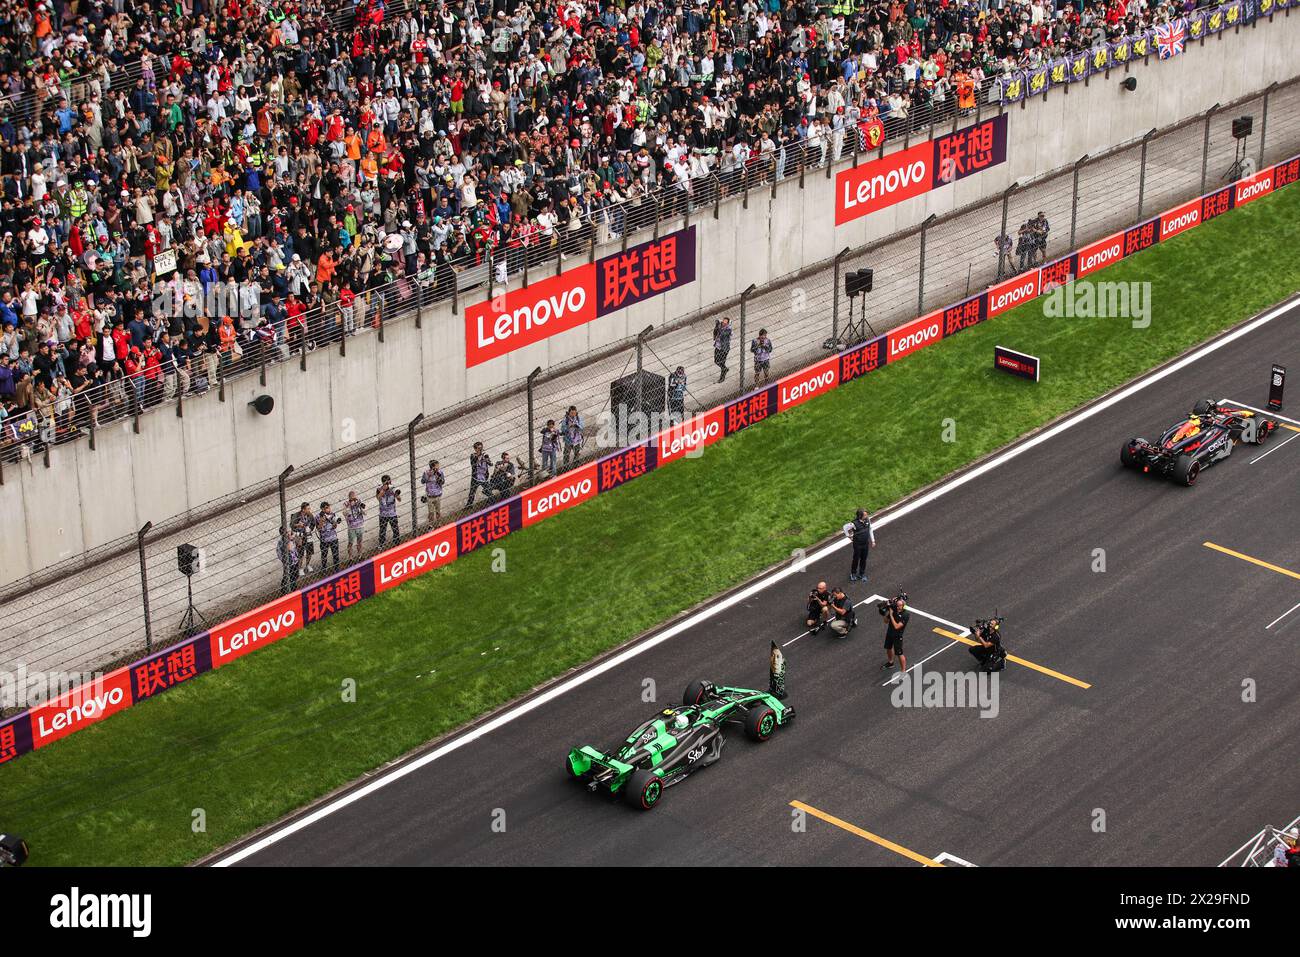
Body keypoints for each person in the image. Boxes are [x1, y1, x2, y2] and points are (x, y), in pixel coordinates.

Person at [879, 593, 910, 679]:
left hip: (897, 635)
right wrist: (887, 612)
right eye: (897, 605)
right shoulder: (893, 610)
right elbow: (885, 621)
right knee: (888, 648)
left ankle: (903, 671)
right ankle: (891, 662)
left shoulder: (905, 615)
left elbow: (897, 626)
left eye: (900, 606)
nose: (898, 607)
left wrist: (892, 615)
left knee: (899, 653)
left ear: (903, 606)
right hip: (890, 633)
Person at [846, 507, 876, 582]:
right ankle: (853, 573)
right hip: (857, 545)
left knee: (864, 559)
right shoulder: (854, 523)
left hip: (865, 544)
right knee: (856, 559)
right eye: (865, 515)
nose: (867, 516)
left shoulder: (868, 520)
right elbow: (845, 527)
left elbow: (870, 529)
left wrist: (873, 541)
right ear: (860, 516)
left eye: (866, 515)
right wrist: (849, 536)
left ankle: (861, 574)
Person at [292, 501, 317, 575]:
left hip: (308, 535)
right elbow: (291, 525)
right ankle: (300, 568)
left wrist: (310, 528)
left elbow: (313, 523)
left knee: (309, 552)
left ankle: (307, 565)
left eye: (309, 508)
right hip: (300, 536)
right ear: (303, 509)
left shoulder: (310, 515)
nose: (309, 510)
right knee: (300, 554)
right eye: (308, 509)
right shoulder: (296, 515)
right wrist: (298, 525)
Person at [317, 501, 341, 573]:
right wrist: (322, 521)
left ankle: (337, 569)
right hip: (324, 539)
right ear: (322, 509)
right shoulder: (318, 516)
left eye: (329, 507)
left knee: (336, 554)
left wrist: (334, 523)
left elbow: (335, 527)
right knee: (324, 555)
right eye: (326, 508)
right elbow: (318, 528)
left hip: (333, 537)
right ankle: (324, 569)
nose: (328, 509)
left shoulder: (332, 514)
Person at [376, 475, 400, 545]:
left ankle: (396, 543)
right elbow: (378, 498)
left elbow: (399, 499)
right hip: (383, 514)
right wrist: (383, 490)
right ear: (383, 483)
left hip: (392, 513)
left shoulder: (393, 488)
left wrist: (395, 493)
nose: (388, 484)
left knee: (395, 529)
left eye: (389, 482)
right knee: (382, 530)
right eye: (386, 483)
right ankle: (381, 543)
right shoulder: (379, 489)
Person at [467, 441, 492, 507]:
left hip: (484, 477)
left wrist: (486, 459)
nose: (480, 450)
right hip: (476, 478)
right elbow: (473, 463)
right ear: (475, 449)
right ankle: (469, 505)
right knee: (472, 493)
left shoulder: (485, 455)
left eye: (481, 448)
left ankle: (490, 502)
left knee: (489, 491)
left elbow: (490, 464)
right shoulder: (473, 456)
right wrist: (479, 456)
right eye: (479, 448)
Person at [421, 459, 445, 526]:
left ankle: (439, 524)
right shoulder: (426, 473)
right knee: (431, 513)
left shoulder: (440, 472)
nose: (438, 467)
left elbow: (443, 482)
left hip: (438, 495)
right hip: (430, 496)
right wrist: (428, 476)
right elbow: (422, 481)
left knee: (438, 511)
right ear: (432, 467)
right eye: (437, 466)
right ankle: (431, 525)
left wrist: (438, 476)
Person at [277, 525, 299, 595]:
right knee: (287, 576)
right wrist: (284, 560)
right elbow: (286, 549)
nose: (289, 532)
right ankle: (285, 591)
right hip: (288, 562)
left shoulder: (291, 538)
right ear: (283, 533)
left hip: (295, 560)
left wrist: (295, 537)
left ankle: (293, 588)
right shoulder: (282, 541)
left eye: (289, 531)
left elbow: (299, 544)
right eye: (287, 532)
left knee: (295, 575)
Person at [344, 491, 367, 560]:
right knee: (350, 543)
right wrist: (350, 506)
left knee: (360, 542)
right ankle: (350, 557)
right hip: (352, 527)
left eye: (355, 498)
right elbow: (344, 513)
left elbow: (365, 513)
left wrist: (360, 507)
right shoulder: (346, 504)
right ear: (349, 498)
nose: (354, 500)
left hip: (360, 525)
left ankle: (360, 555)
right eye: (352, 499)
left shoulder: (359, 502)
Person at [713, 316, 733, 382]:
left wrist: (719, 327)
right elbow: (715, 333)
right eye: (723, 322)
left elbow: (722, 334)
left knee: (722, 362)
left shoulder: (729, 329)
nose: (723, 323)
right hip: (718, 346)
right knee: (716, 361)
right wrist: (716, 326)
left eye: (725, 323)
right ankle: (725, 369)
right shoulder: (720, 326)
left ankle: (722, 377)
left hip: (724, 348)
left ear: (727, 324)